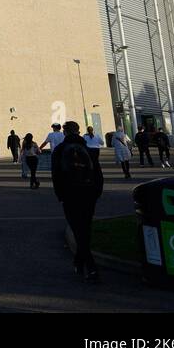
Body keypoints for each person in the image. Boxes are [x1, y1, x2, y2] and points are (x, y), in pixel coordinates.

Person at [51, 120, 103, 282]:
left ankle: (91, 266)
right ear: (79, 131)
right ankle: (79, 261)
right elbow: (98, 174)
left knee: (77, 229)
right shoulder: (88, 149)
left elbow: (56, 175)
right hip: (88, 193)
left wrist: (60, 195)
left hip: (70, 193)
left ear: (65, 132)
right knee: (85, 228)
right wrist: (96, 193)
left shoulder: (59, 150)